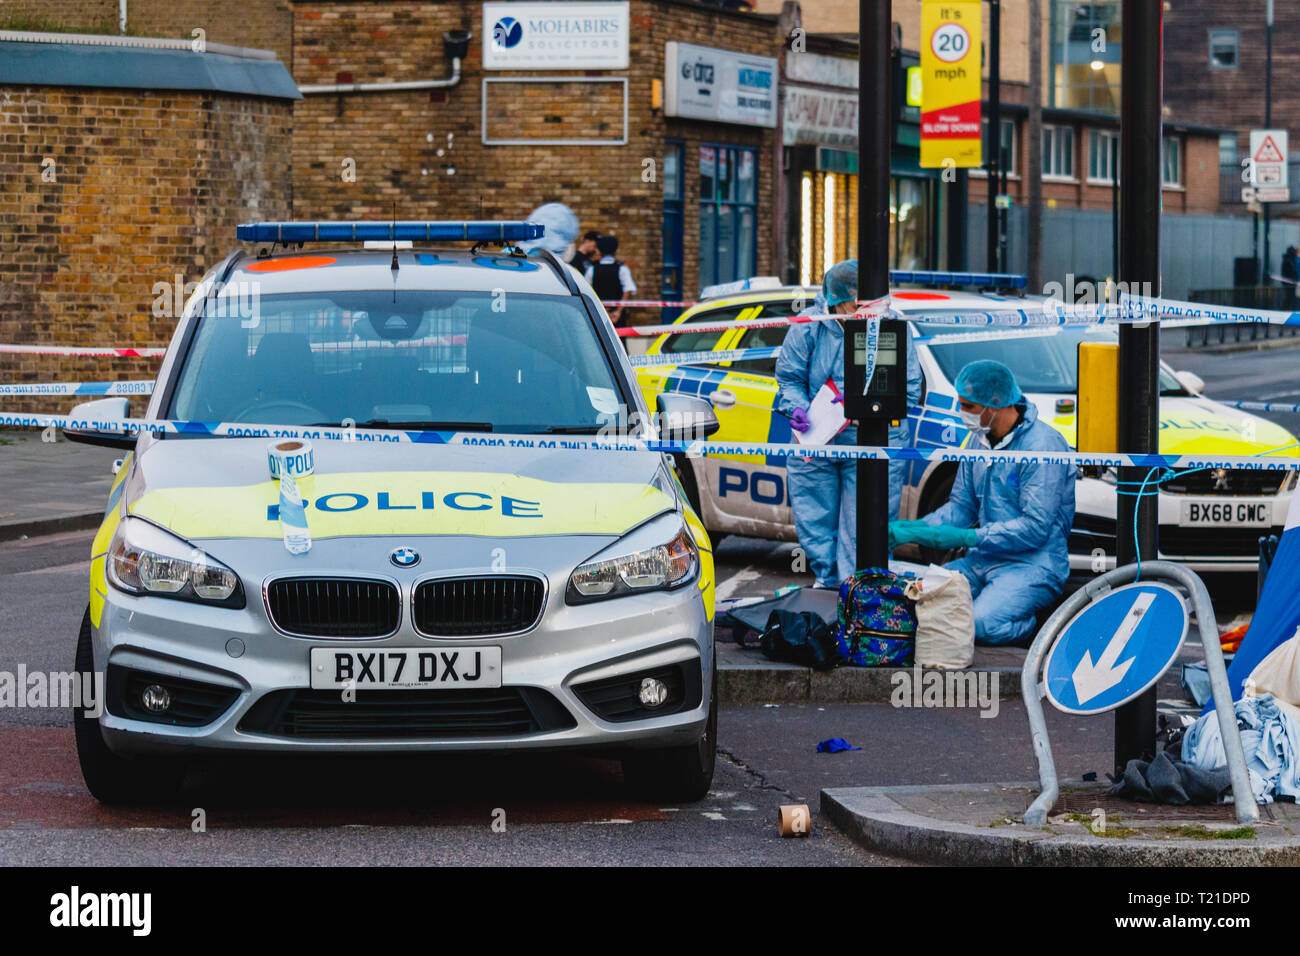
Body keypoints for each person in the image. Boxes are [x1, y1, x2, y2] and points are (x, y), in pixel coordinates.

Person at [889, 360, 1076, 645]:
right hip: (983, 559)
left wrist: (970, 536)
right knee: (915, 603)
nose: (962, 413)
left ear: (996, 403)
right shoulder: (979, 441)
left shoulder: (1042, 446)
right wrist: (915, 529)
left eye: (969, 406)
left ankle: (1039, 627)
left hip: (1033, 564)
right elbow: (961, 506)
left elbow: (1036, 527)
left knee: (979, 625)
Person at [775, 259, 923, 587]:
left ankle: (856, 594)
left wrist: (870, 408)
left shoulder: (891, 327)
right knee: (815, 521)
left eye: (864, 302)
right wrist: (798, 408)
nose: (858, 308)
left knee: (865, 528)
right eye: (853, 302)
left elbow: (909, 387)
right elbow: (790, 377)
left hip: (872, 440)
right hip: (818, 440)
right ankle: (829, 586)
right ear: (835, 298)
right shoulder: (811, 324)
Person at [585, 235, 637, 326]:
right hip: (617, 316)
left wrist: (602, 309)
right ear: (616, 250)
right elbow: (628, 290)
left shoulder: (592, 269)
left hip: (598, 313)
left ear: (599, 250)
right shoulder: (622, 269)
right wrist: (618, 311)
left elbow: (586, 291)